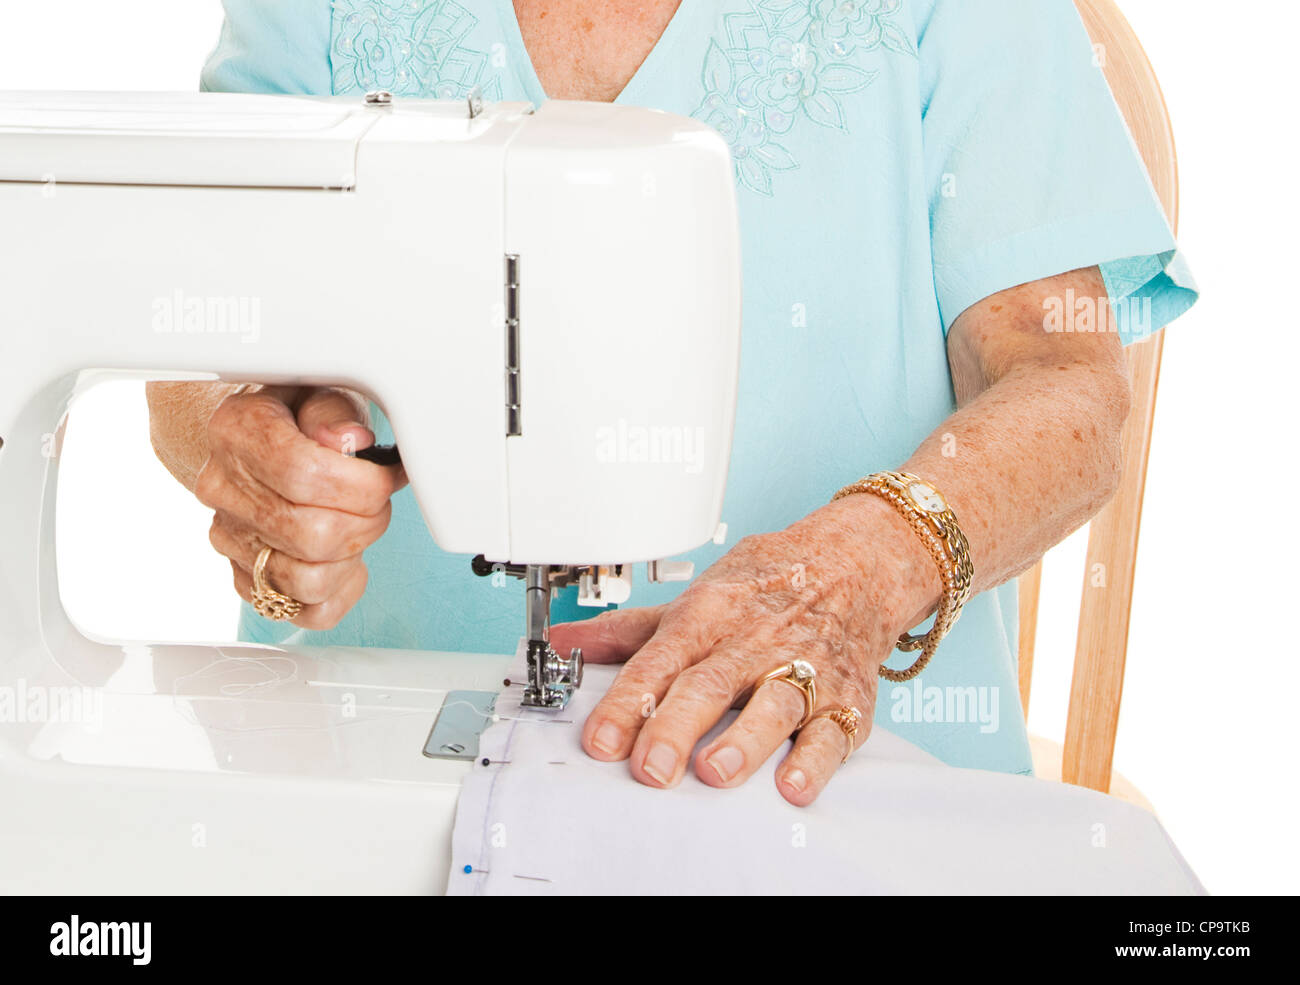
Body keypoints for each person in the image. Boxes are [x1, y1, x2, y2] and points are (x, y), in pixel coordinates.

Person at [147, 0, 1197, 805]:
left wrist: (857, 572)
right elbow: (191, 328)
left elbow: (1066, 386)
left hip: (852, 780)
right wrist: (244, 440)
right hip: (365, 759)